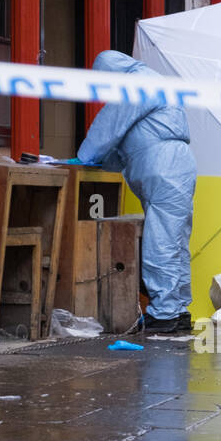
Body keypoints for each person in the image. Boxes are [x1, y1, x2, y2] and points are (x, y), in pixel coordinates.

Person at [77, 50, 197, 333]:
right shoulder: (151, 84)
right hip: (172, 167)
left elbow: (110, 128)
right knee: (175, 241)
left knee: (162, 242)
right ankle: (177, 310)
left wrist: (84, 156)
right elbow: (130, 139)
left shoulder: (139, 83)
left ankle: (164, 314)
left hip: (163, 169)